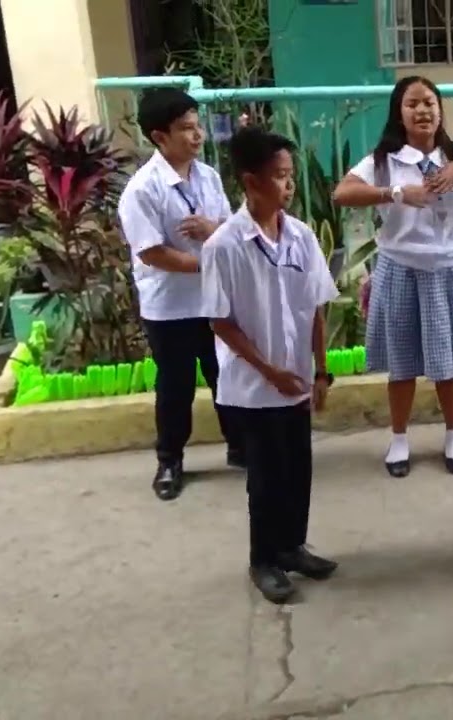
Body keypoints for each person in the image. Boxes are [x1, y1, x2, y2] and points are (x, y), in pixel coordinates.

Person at [201, 126, 341, 604]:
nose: (289, 184)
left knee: (298, 469)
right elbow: (221, 322)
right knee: (265, 478)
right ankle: (263, 560)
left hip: (296, 380)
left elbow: (316, 305)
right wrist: (269, 371)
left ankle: (291, 547)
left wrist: (320, 371)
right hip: (254, 387)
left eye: (290, 174)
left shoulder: (301, 236)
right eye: (280, 176)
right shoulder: (224, 246)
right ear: (251, 181)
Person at [333, 76, 453, 478]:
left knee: (450, 363)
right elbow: (342, 193)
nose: (422, 110)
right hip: (401, 269)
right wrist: (395, 193)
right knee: (402, 363)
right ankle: (399, 439)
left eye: (429, 102)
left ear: (440, 109)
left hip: (449, 269)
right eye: (412, 104)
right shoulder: (385, 161)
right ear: (399, 112)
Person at [118, 87, 244, 501]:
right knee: (176, 387)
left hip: (214, 299)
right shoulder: (142, 189)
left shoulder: (207, 176)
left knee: (226, 375)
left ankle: (240, 447)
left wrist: (213, 231)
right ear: (160, 137)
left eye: (197, 125)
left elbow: (231, 229)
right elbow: (152, 253)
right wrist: (207, 263)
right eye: (186, 128)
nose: (197, 135)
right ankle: (169, 460)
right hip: (169, 306)